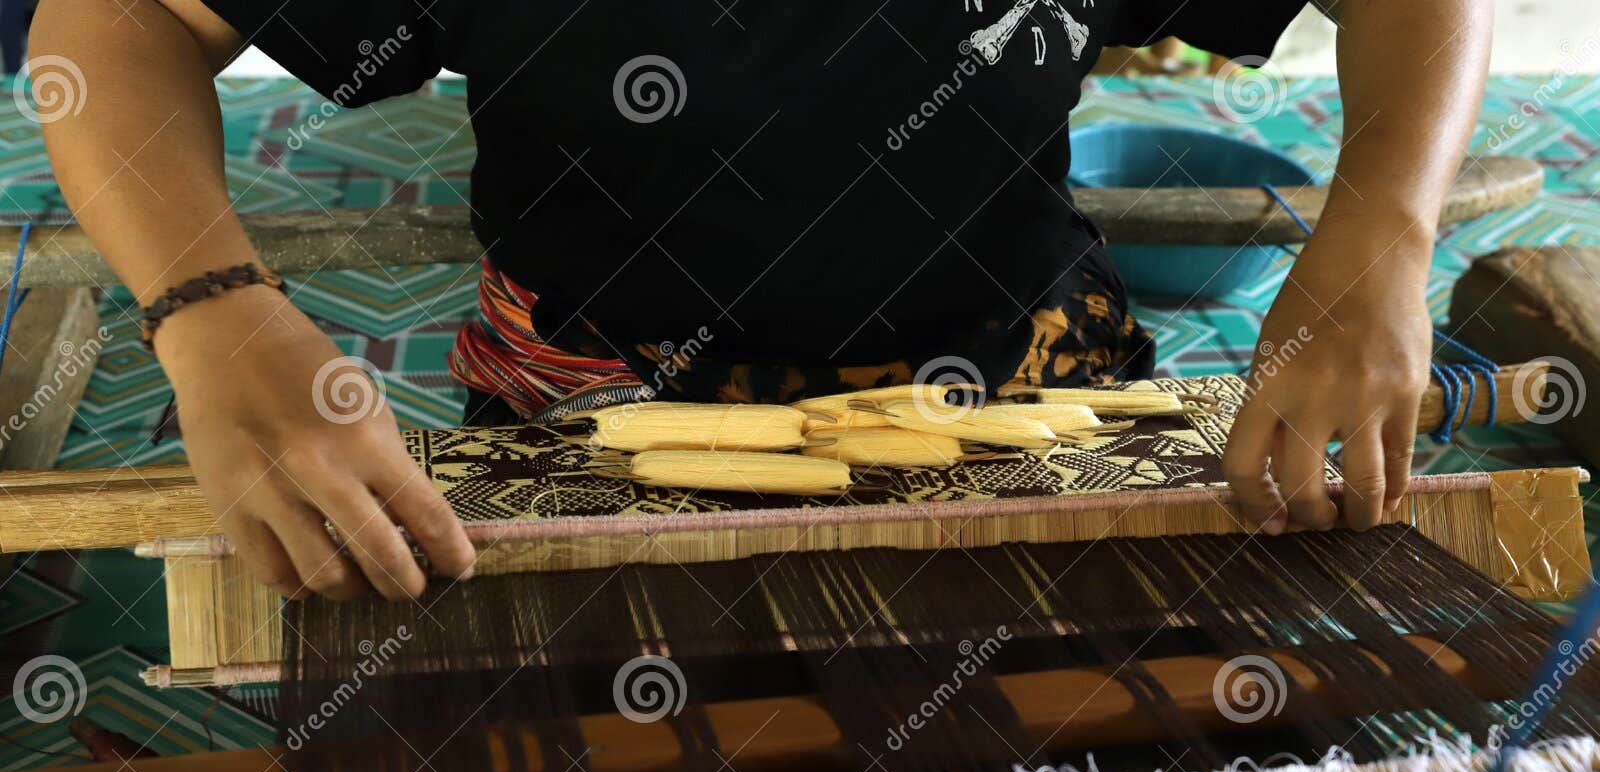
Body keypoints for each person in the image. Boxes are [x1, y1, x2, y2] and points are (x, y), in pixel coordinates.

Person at [31, 0, 1491, 600]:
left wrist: (1381, 238)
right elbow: (122, 22)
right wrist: (217, 314)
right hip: (599, 414)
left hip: (1026, 386)